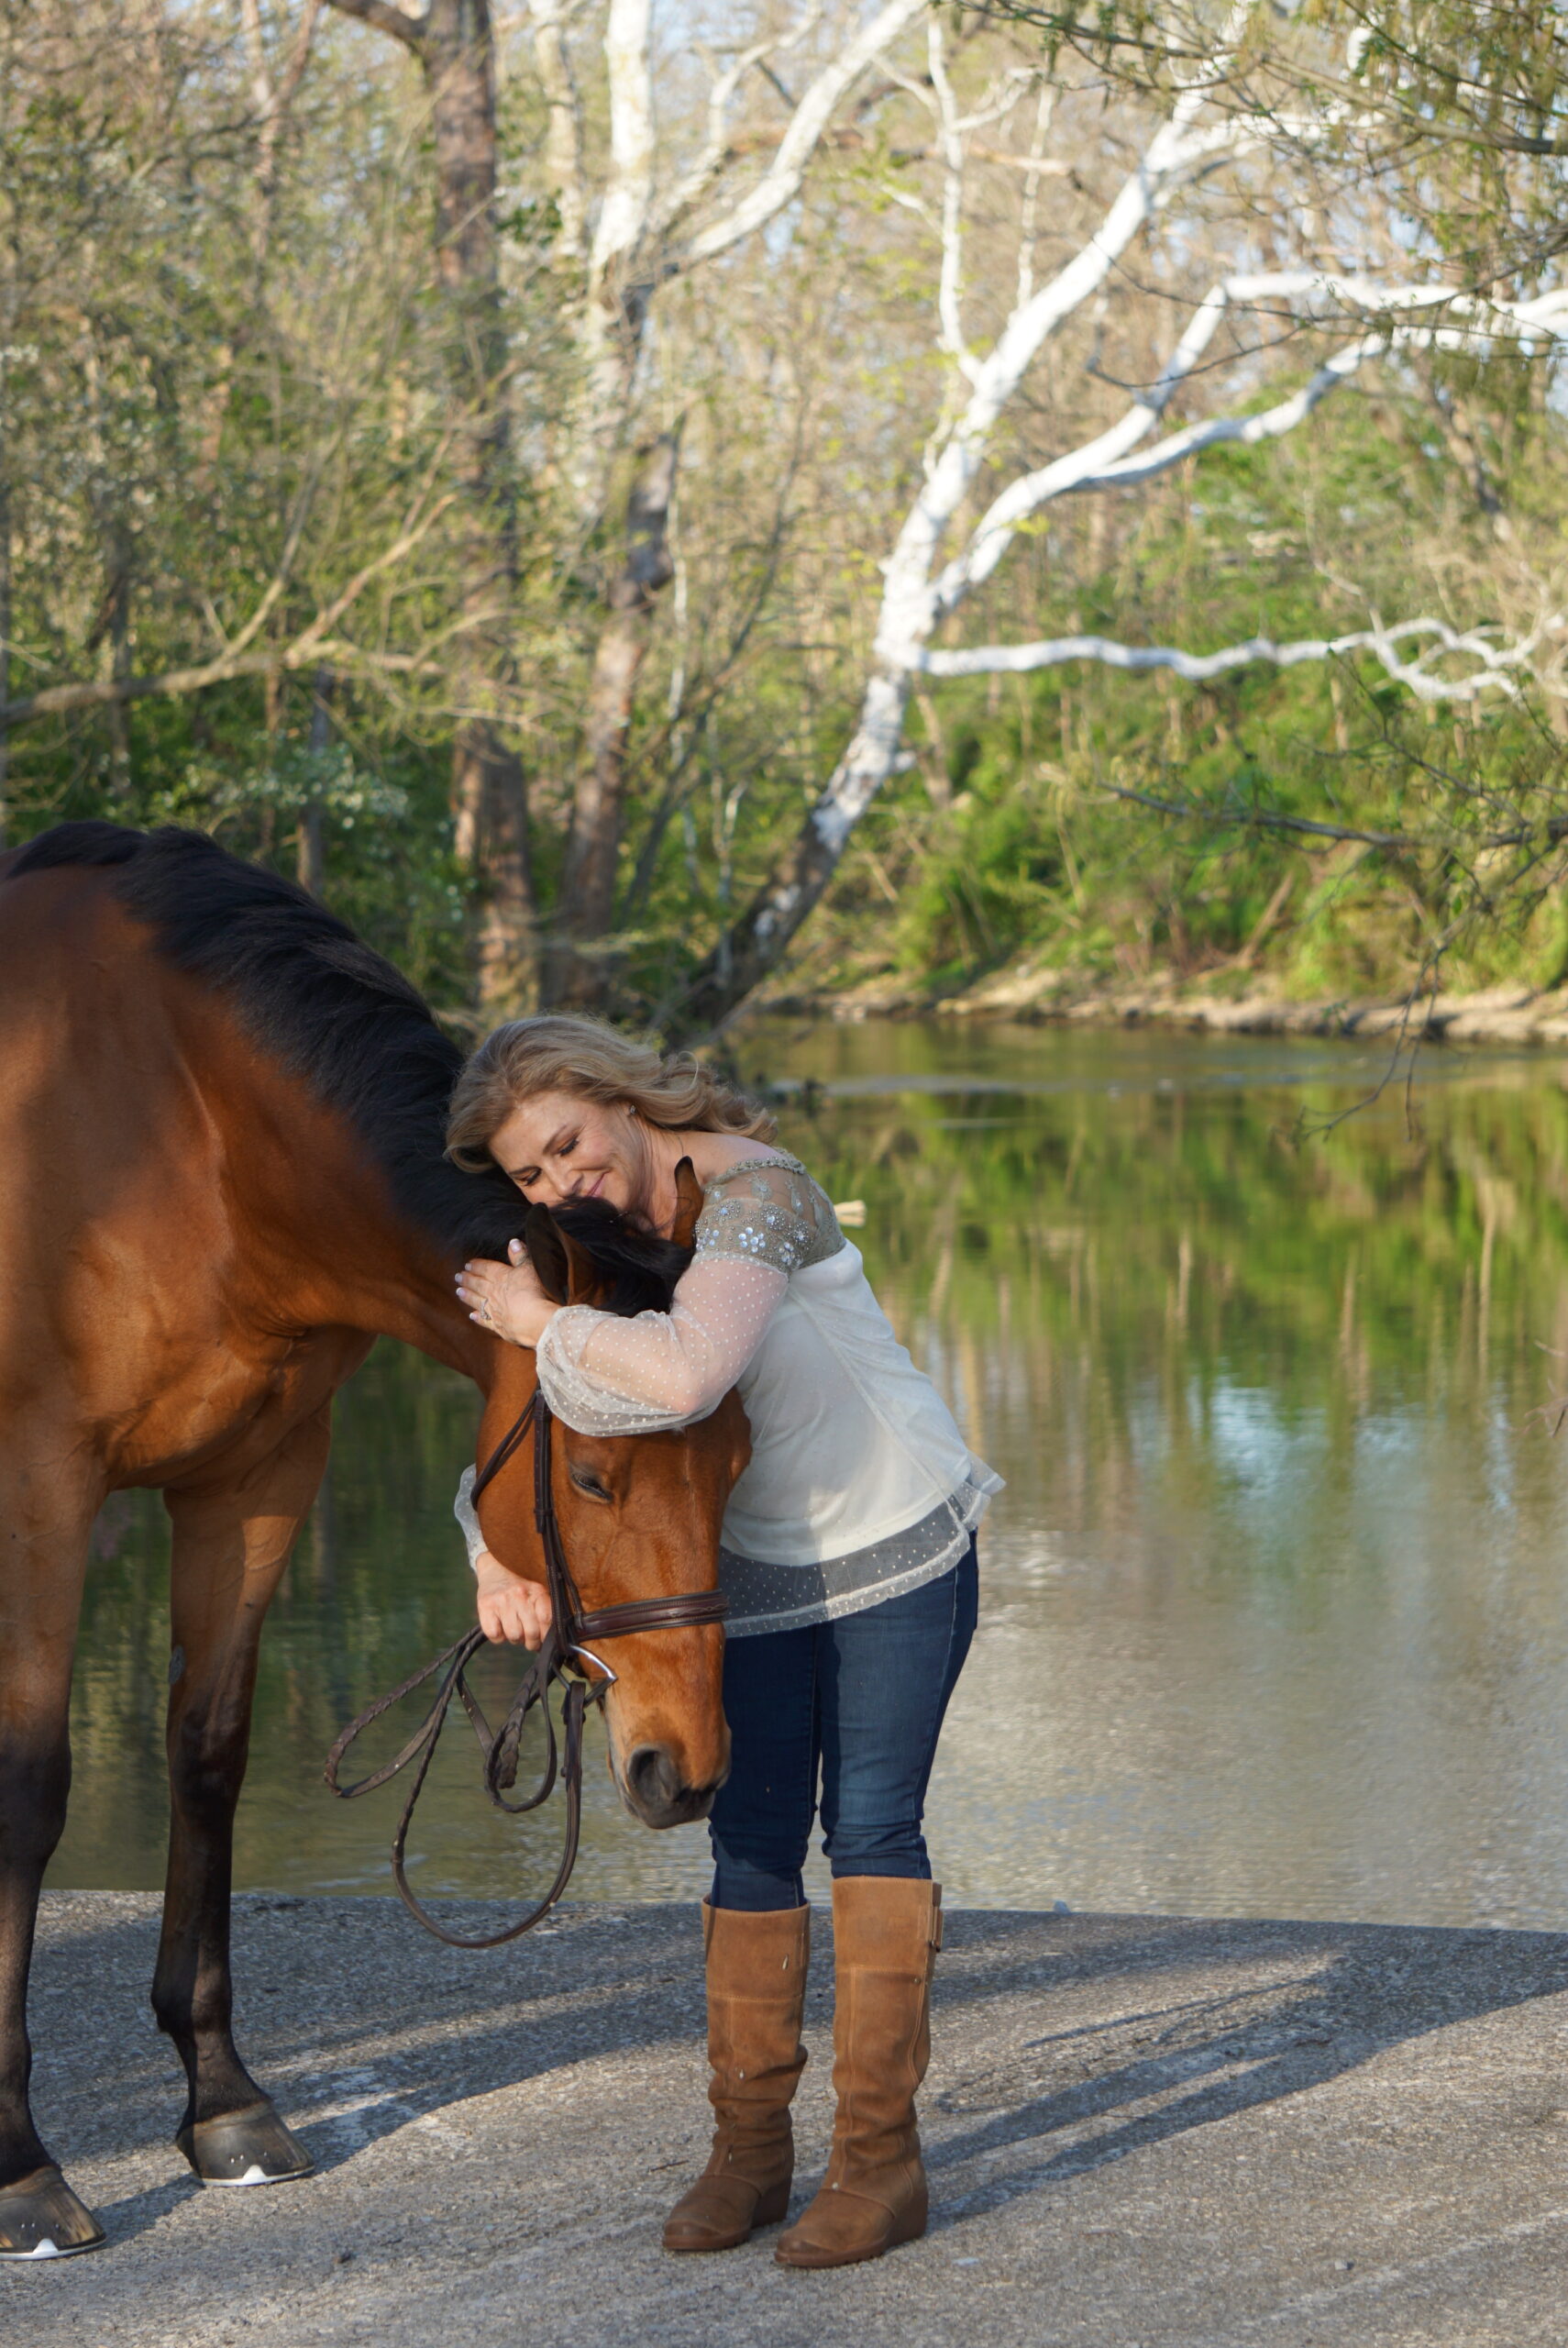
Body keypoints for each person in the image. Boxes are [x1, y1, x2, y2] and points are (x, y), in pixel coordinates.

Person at [446, 1015, 998, 2271]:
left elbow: (688, 1374)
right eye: (527, 1176)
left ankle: (878, 2165)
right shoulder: (598, 1253)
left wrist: (538, 1323)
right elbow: (518, 1452)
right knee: (749, 1840)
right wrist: (487, 1557)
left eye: (564, 1146)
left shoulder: (760, 1190)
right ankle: (749, 2153)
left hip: (890, 1546)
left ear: (616, 1098)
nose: (555, 1185)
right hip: (739, 1578)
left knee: (867, 1830)